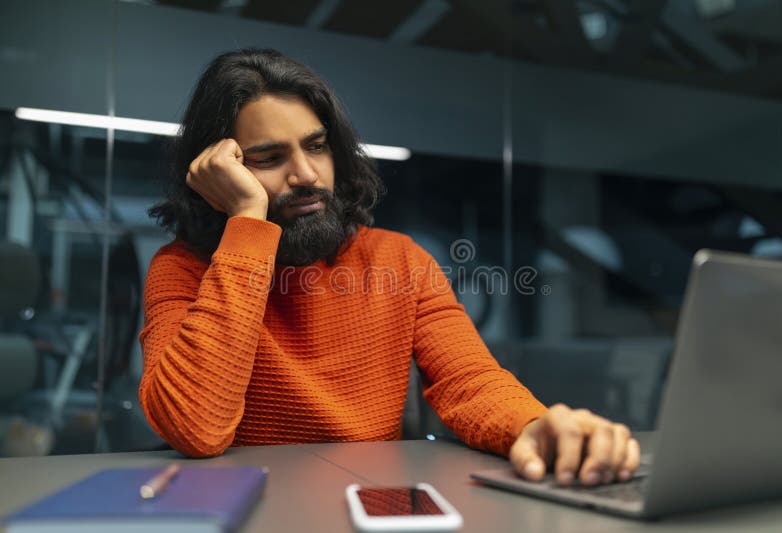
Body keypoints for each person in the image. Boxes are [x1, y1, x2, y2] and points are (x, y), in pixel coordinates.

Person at [140, 48, 639, 487]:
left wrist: (536, 428)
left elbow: (469, 382)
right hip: (247, 508)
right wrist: (247, 221)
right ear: (216, 174)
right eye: (269, 157)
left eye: (316, 146)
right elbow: (194, 426)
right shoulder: (181, 269)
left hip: (370, 500)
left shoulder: (397, 259)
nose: (307, 174)